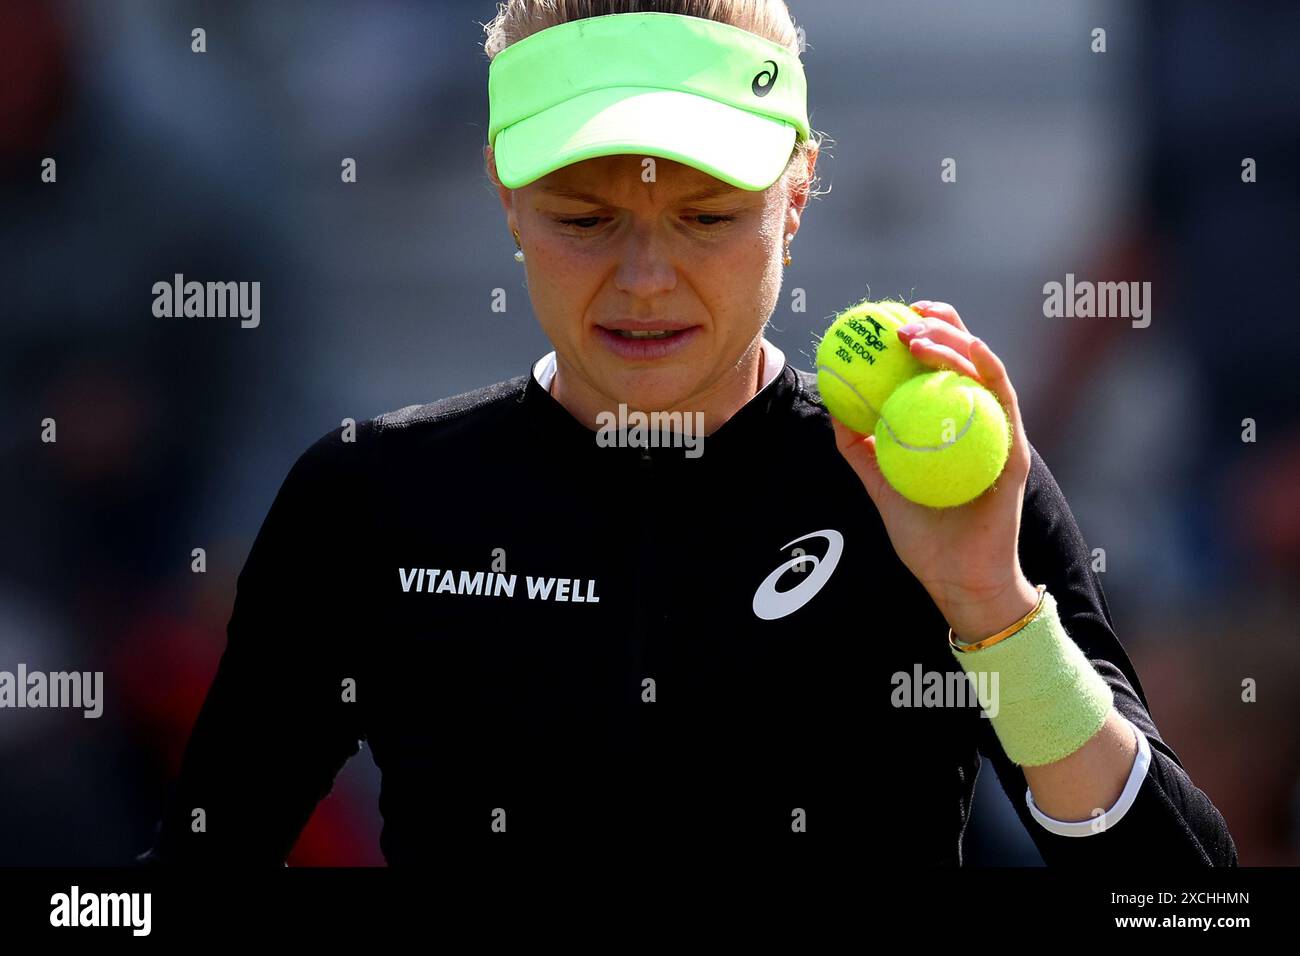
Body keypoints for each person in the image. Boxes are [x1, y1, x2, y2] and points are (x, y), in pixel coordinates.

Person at [138, 0, 1236, 866]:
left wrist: (994, 614)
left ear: (798, 189)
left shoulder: (945, 500)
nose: (645, 278)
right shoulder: (368, 497)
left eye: (708, 217)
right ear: (503, 194)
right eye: (583, 218)